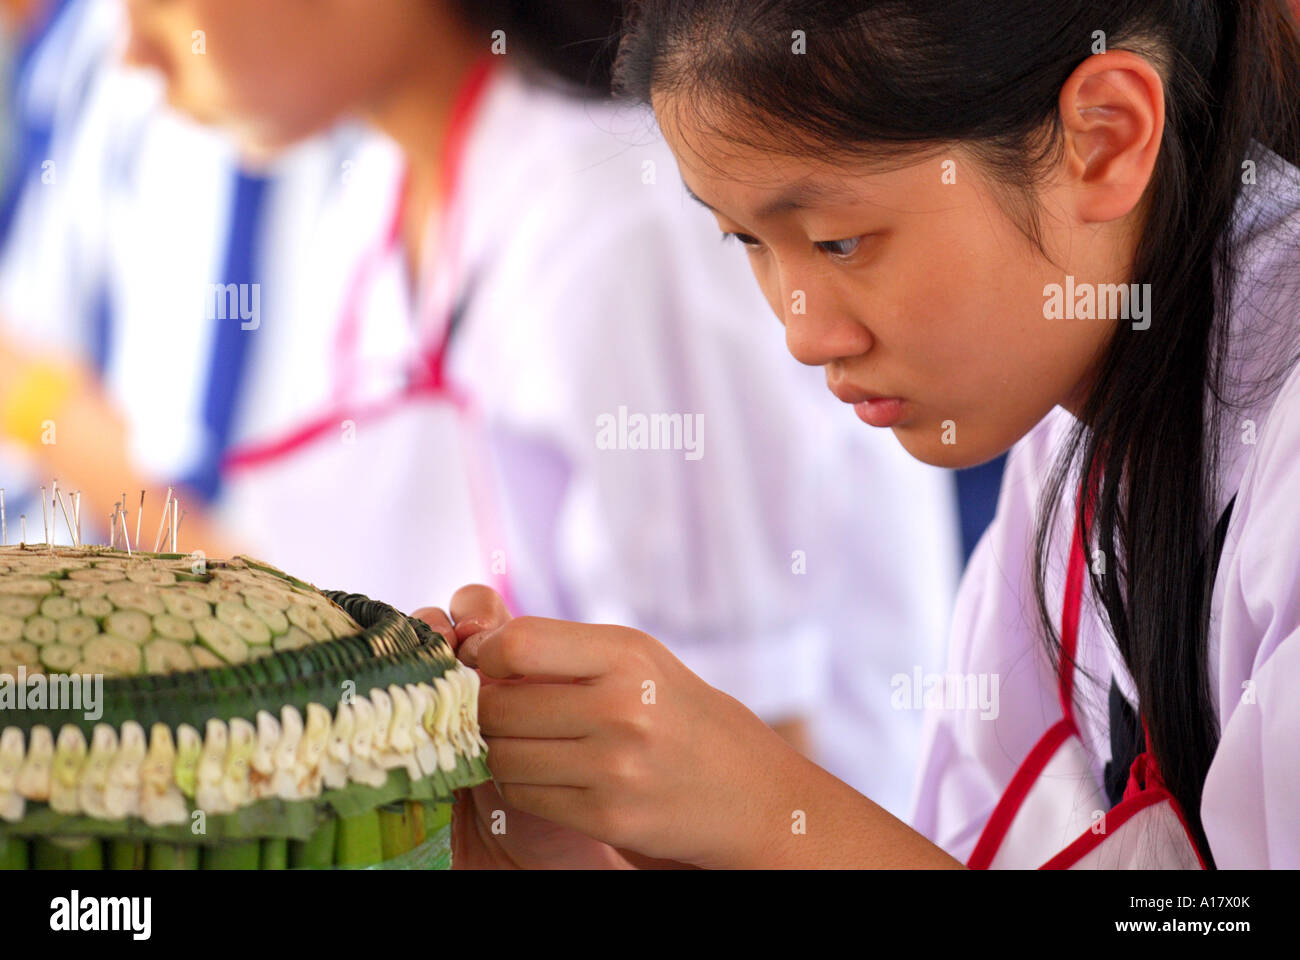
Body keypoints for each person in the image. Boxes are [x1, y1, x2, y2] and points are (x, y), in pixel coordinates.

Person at [0, 0, 963, 815]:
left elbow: (744, 774)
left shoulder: (625, 222)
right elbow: (329, 635)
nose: (133, 46)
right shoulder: (384, 193)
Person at [416, 0, 1300, 869]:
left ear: (1104, 138)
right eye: (745, 242)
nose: (802, 337)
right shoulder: (1071, 443)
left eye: (840, 243)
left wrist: (774, 812)